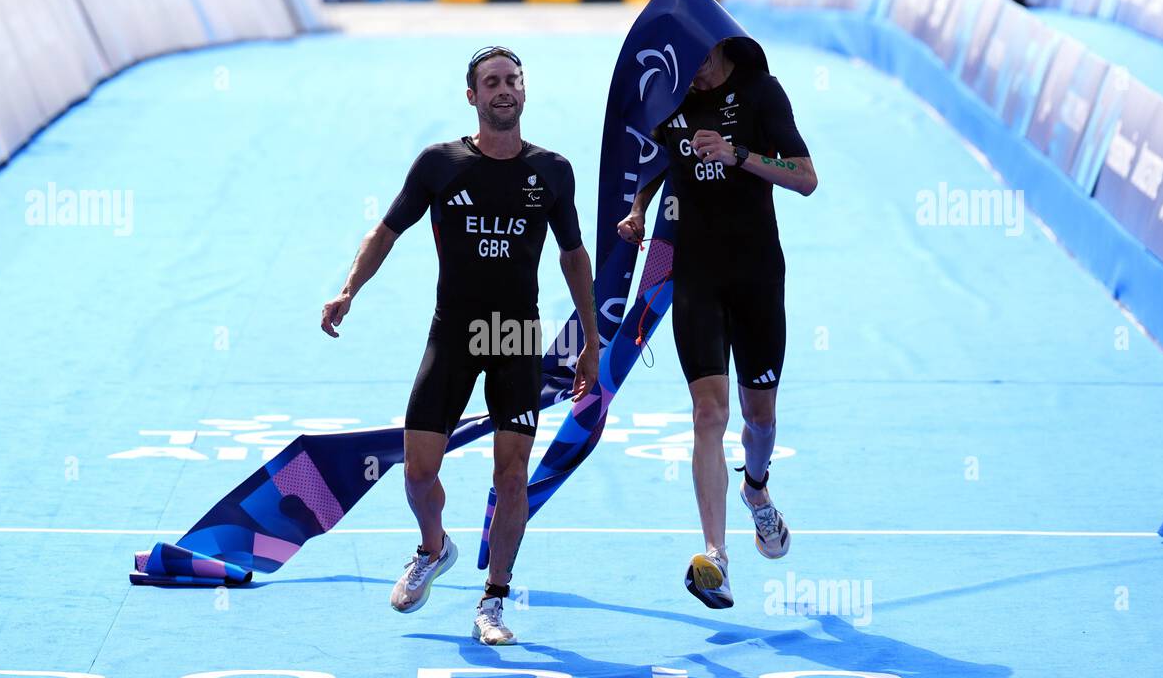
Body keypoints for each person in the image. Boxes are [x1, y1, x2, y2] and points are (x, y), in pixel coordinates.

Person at [321, 46, 600, 644]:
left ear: (524, 93)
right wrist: (349, 291)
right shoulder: (439, 164)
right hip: (453, 331)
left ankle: (494, 601)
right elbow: (386, 232)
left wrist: (591, 339)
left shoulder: (552, 170)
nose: (504, 89)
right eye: (491, 82)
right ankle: (432, 547)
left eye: (513, 81)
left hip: (516, 335)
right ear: (472, 97)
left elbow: (574, 256)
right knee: (418, 473)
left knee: (512, 474)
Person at [617, 38, 816, 610]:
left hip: (756, 274)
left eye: (700, 59)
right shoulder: (671, 96)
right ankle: (716, 558)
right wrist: (636, 210)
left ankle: (757, 488)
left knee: (760, 415)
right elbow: (655, 163)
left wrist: (739, 156)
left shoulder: (760, 92)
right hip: (695, 276)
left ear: (723, 46)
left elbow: (805, 176)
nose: (693, 74)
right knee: (709, 412)